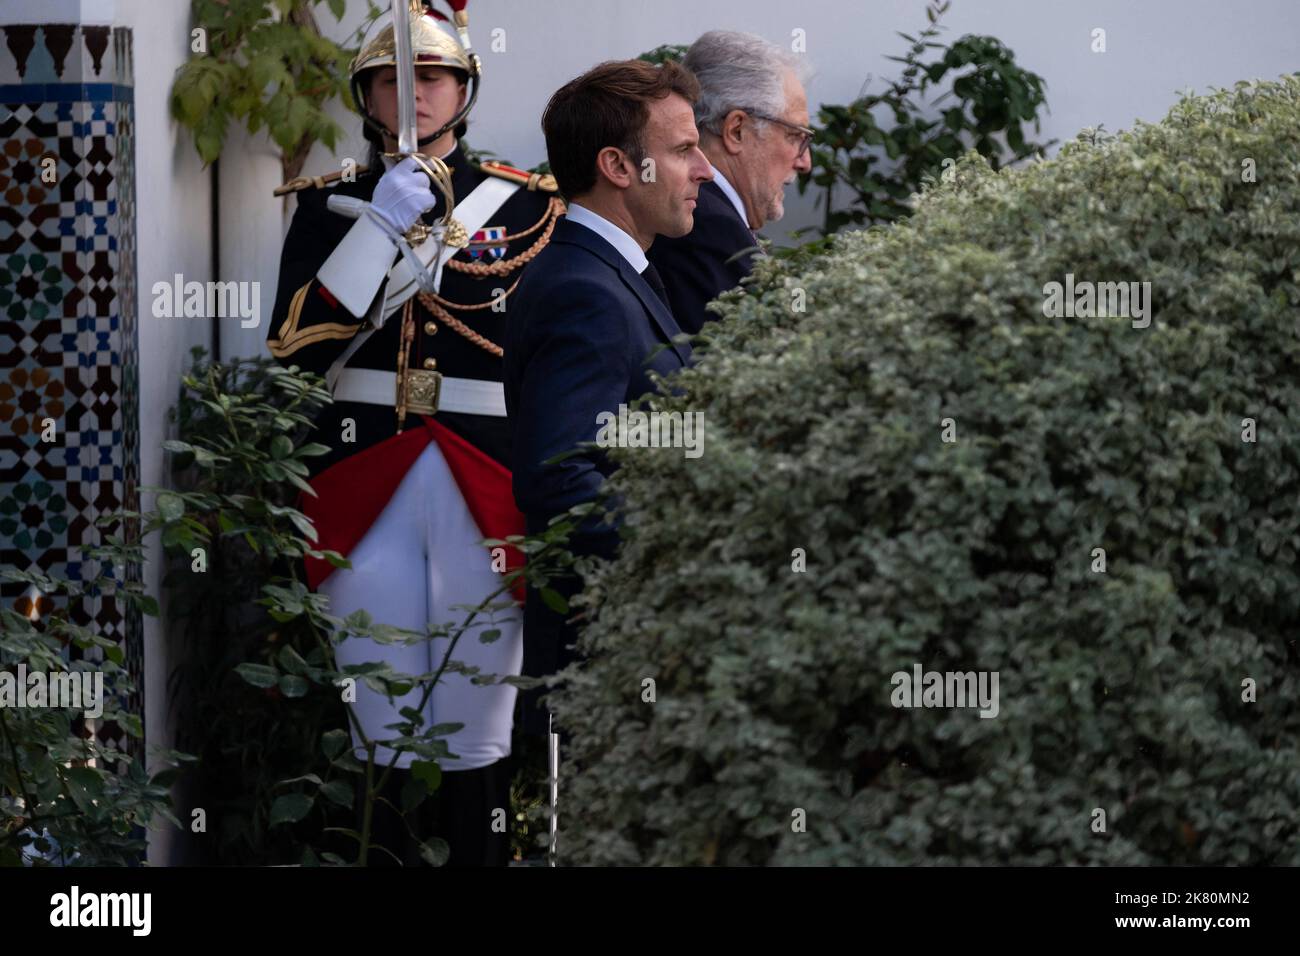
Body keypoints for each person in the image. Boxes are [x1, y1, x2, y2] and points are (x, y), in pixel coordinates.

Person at [265, 0, 564, 867]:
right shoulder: (332, 207)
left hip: (485, 481)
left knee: (478, 728)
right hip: (365, 475)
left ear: (464, 90)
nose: (413, 93)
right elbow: (291, 351)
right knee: (378, 728)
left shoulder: (524, 208)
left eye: (431, 77)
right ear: (366, 93)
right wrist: (380, 229)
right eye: (392, 78)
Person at [503, 59, 712, 737]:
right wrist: (690, 550)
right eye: (683, 151)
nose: (703, 170)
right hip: (607, 665)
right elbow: (560, 476)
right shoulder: (585, 291)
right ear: (620, 167)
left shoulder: (612, 274)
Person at [646, 31, 814, 334]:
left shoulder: (707, 216)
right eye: (795, 136)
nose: (805, 162)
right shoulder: (707, 226)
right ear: (737, 130)